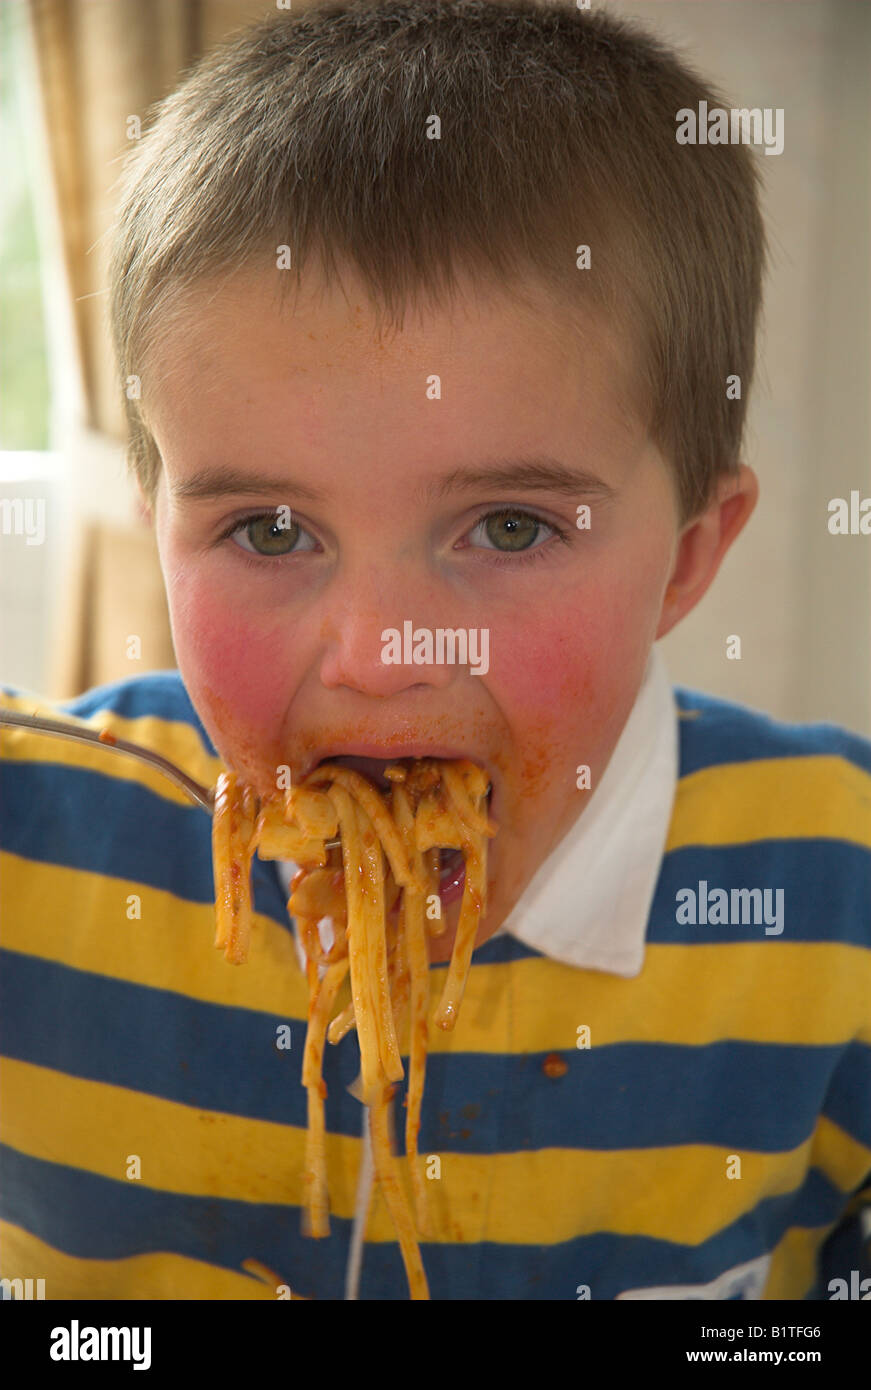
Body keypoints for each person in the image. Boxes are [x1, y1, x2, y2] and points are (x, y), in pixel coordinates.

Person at [1, 0, 868, 1301]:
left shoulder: (838, 884)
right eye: (270, 527)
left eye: (509, 526)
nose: (377, 650)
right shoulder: (32, 842)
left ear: (689, 557)